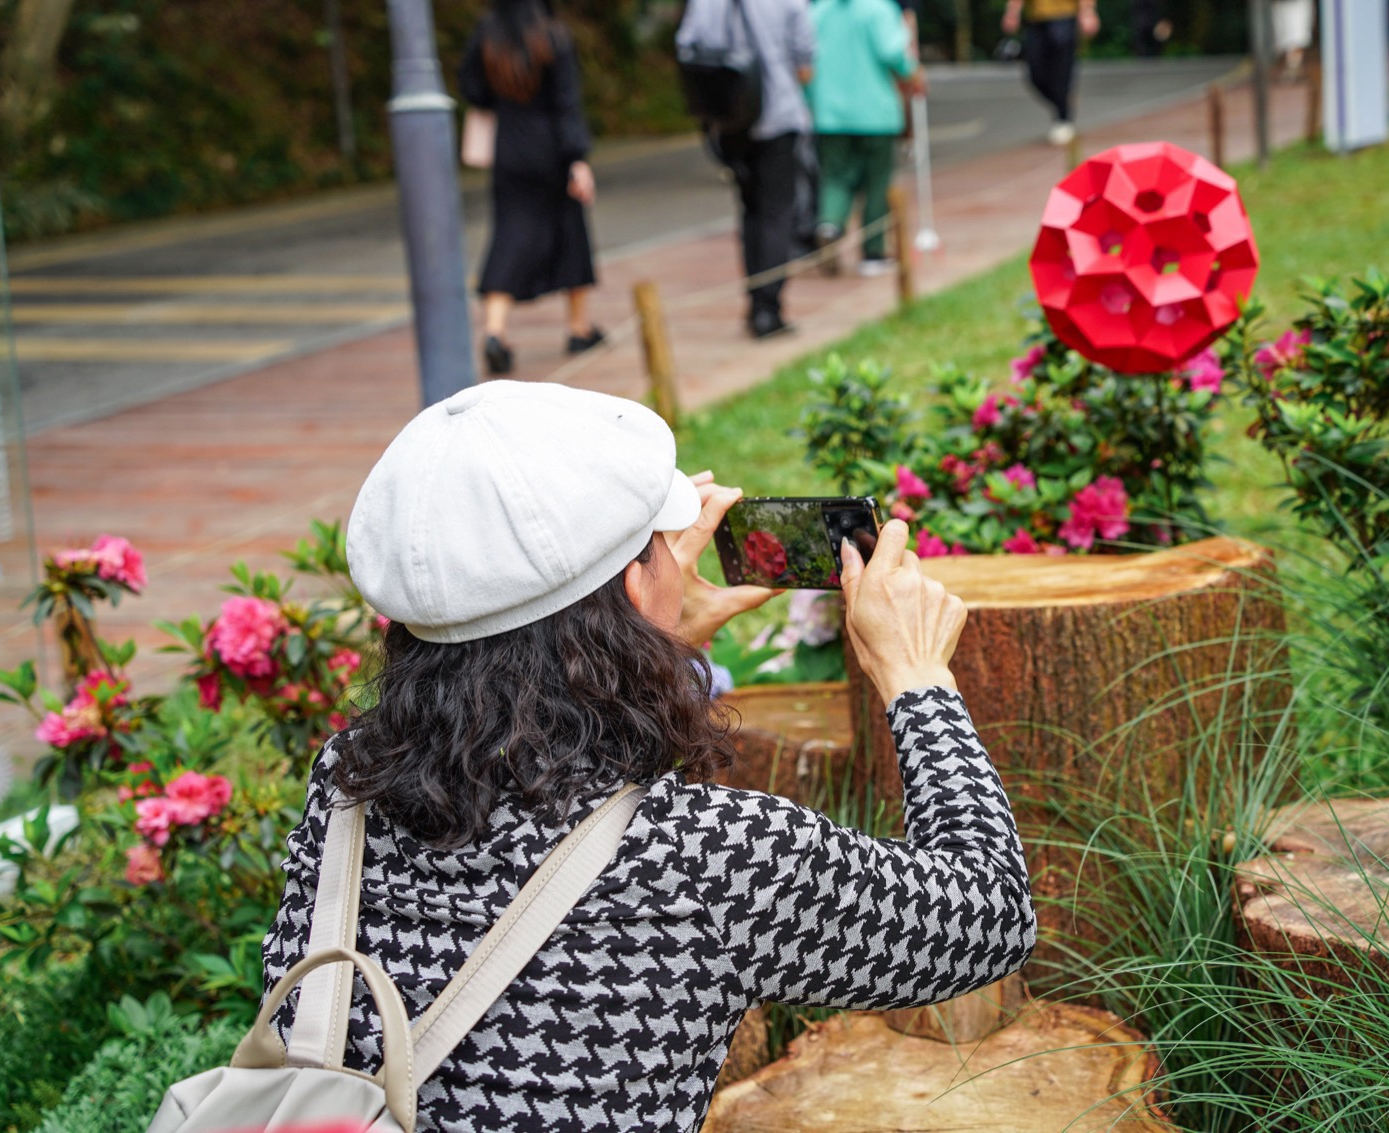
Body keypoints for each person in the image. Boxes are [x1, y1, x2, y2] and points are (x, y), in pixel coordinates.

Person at [259, 380, 1036, 1132]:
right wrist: (917, 676)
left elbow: (554, 804)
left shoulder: (347, 779)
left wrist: (647, 646)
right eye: (666, 546)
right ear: (634, 585)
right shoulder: (704, 854)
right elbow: (991, 914)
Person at [459, 0, 604, 376]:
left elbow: (472, 88)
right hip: (551, 149)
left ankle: (495, 331)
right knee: (570, 232)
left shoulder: (487, 34)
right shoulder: (552, 35)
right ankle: (578, 327)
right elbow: (566, 101)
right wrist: (577, 158)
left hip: (509, 147)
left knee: (510, 234)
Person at [677, 0, 815, 339]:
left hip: (729, 121)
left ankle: (756, 301)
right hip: (777, 118)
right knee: (776, 213)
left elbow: (687, 47)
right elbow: (806, 64)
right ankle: (767, 306)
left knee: (750, 211)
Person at [808, 0, 921, 277]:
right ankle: (873, 253)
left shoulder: (818, 11)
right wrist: (912, 72)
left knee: (835, 178)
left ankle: (830, 223)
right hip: (875, 112)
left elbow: (804, 59)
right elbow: (893, 51)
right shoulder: (879, 9)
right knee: (876, 183)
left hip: (829, 114)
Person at [1001, 0, 1099, 146]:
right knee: (1035, 73)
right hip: (1036, 19)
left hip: (1065, 16)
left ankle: (1063, 119)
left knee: (1061, 71)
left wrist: (1087, 11)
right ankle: (1064, 103)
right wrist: (1012, 12)